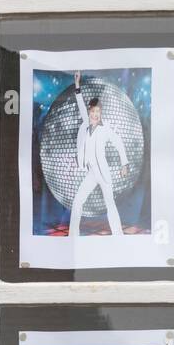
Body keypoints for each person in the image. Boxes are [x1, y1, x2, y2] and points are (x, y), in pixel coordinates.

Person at [68, 72, 129, 239]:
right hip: (91, 173)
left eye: (98, 112)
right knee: (78, 201)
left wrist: (125, 164)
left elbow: (118, 142)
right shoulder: (86, 126)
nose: (95, 114)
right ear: (89, 111)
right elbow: (80, 103)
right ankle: (72, 237)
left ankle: (119, 236)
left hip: (104, 172)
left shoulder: (105, 128)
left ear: (101, 113)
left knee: (110, 204)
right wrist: (77, 85)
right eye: (93, 111)